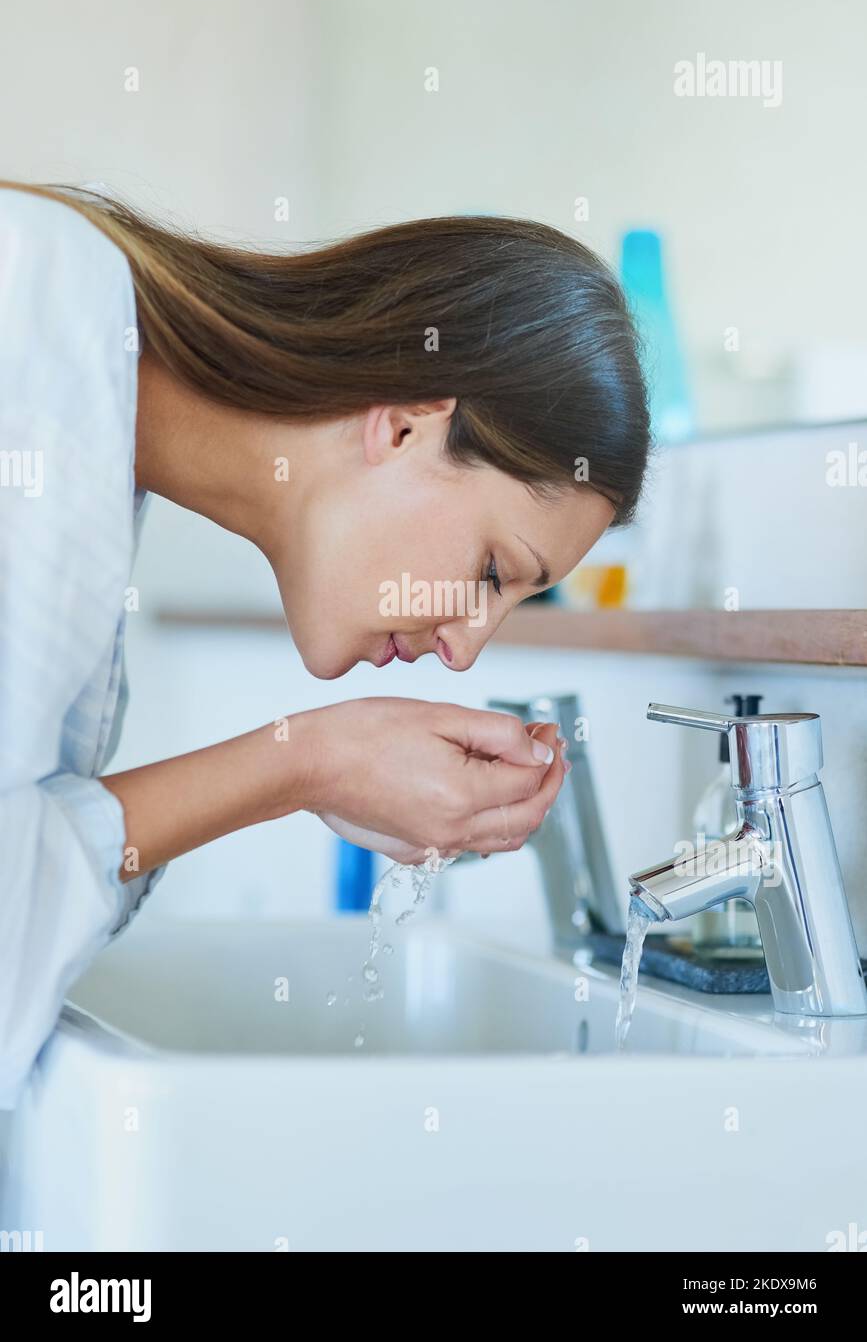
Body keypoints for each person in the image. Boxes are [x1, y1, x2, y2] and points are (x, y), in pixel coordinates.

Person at [0, 181, 650, 1107]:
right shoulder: (35, 353)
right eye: (494, 571)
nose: (465, 650)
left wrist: (311, 768)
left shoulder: (77, 379)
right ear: (405, 424)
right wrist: (303, 765)